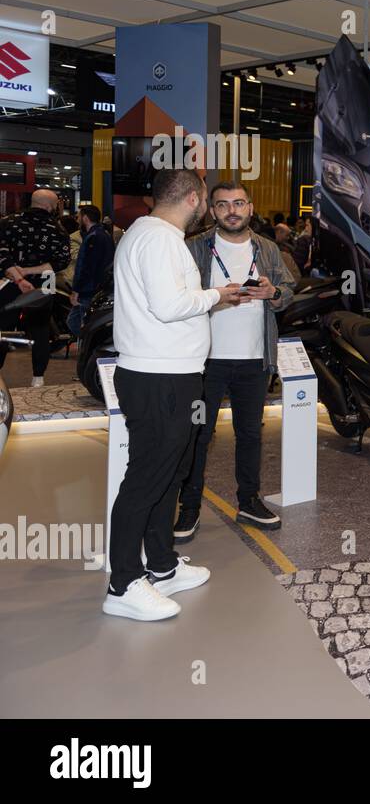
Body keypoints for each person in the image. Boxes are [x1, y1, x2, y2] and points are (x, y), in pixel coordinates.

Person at [104, 168, 244, 622]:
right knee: (147, 478)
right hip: (158, 377)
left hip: (170, 375)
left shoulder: (148, 234)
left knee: (169, 472)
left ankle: (161, 566)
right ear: (193, 198)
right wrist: (215, 295)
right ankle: (123, 583)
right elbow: (168, 307)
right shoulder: (161, 239)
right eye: (206, 198)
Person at [174, 182, 296, 543]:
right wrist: (215, 298)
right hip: (205, 361)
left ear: (250, 207)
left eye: (239, 203)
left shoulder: (268, 249)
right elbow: (177, 296)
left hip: (254, 360)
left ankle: (249, 501)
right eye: (223, 204)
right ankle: (190, 507)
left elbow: (287, 290)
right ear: (212, 210)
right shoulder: (194, 247)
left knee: (250, 435)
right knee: (198, 435)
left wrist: (273, 293)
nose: (232, 210)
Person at [0, 189, 71, 388]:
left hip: (10, 282)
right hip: (43, 284)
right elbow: (61, 262)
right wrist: (31, 271)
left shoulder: (8, 222)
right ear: (50, 206)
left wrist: (18, 276)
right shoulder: (58, 229)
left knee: (3, 329)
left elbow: (2, 252)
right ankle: (38, 377)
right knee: (41, 330)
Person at [68, 204, 115, 340]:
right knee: (77, 321)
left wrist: (76, 290)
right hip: (97, 288)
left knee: (78, 322)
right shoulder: (104, 234)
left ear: (85, 218)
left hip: (88, 289)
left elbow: (87, 266)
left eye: (79, 216)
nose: (77, 220)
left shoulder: (93, 237)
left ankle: (89, 346)